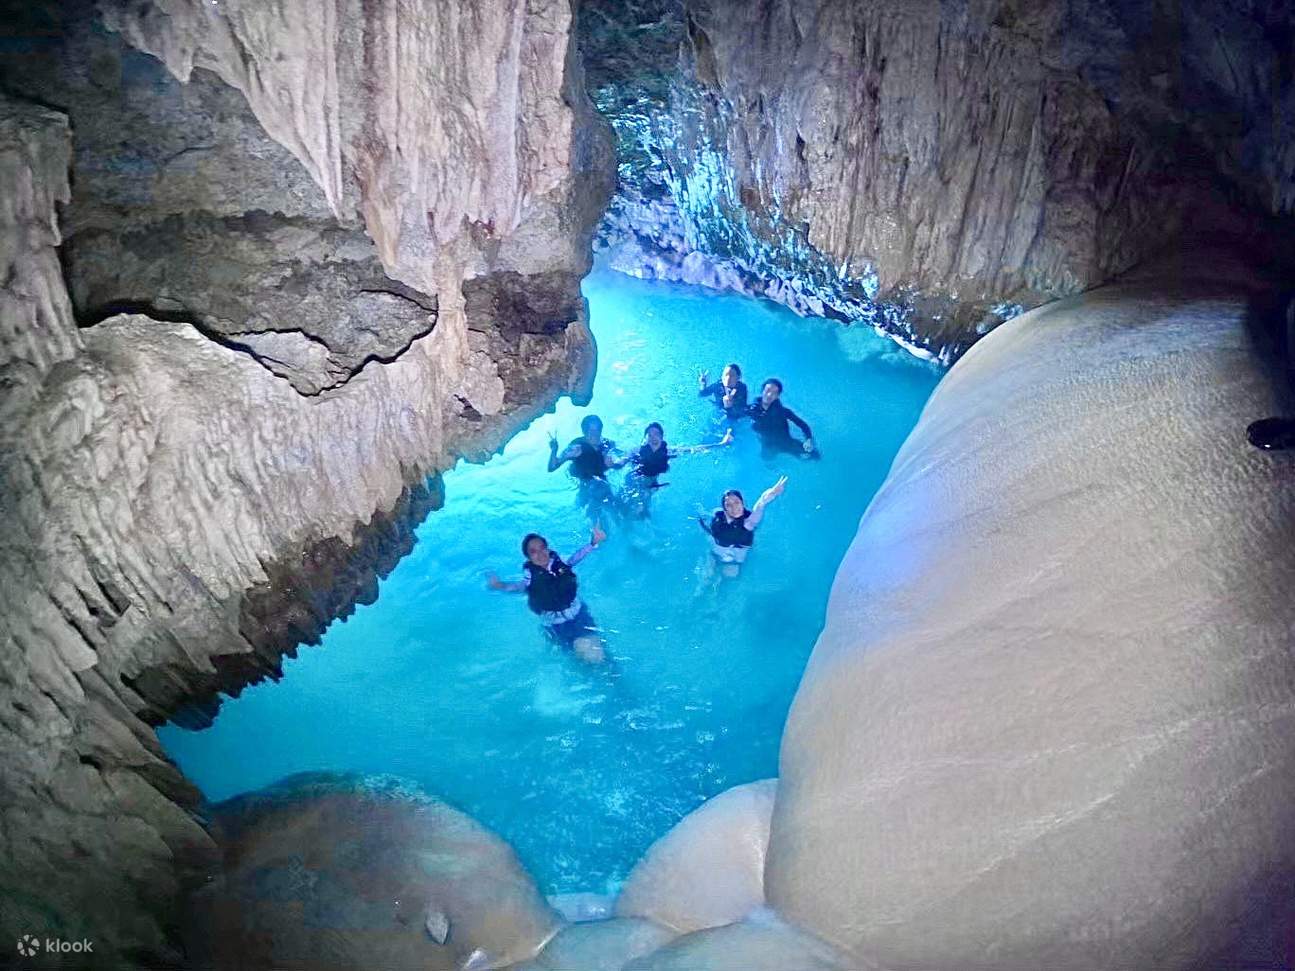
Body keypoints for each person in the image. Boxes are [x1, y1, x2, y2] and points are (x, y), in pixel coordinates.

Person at [488, 526, 607, 663]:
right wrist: (500, 586)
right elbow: (518, 587)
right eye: (533, 552)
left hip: (578, 612)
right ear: (528, 558)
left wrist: (593, 543)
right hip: (556, 624)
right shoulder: (530, 577)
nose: (540, 554)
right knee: (579, 657)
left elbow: (577, 557)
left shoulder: (560, 562)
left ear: (548, 548)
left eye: (542, 548)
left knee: (598, 651)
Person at [622, 422, 734, 517]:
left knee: (643, 512)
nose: (653, 438)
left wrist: (721, 444)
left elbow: (694, 449)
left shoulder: (668, 452)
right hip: (633, 481)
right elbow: (620, 462)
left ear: (662, 437)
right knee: (629, 507)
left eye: (656, 434)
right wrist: (616, 462)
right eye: (649, 435)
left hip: (650, 484)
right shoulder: (636, 451)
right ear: (645, 439)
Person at [697, 475, 788, 577]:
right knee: (706, 576)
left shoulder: (748, 522)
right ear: (724, 509)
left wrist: (773, 492)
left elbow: (761, 503)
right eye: (728, 505)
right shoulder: (717, 516)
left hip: (736, 556)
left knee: (730, 575)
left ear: (742, 503)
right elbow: (707, 528)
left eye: (737, 502)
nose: (734, 507)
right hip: (717, 551)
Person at [747, 378, 819, 458]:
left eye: (774, 393)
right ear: (762, 391)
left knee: (815, 456)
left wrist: (808, 439)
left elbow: (802, 424)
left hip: (786, 442)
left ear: (777, 396)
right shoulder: (751, 410)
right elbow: (735, 416)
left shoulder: (782, 411)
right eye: (767, 390)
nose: (769, 395)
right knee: (767, 465)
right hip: (768, 446)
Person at [548, 414, 627, 480]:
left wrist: (613, 465)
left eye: (597, 430)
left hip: (601, 479)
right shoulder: (577, 446)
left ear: (601, 429)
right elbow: (552, 467)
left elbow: (622, 461)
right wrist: (554, 450)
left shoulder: (608, 445)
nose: (594, 435)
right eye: (591, 431)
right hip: (584, 481)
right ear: (584, 431)